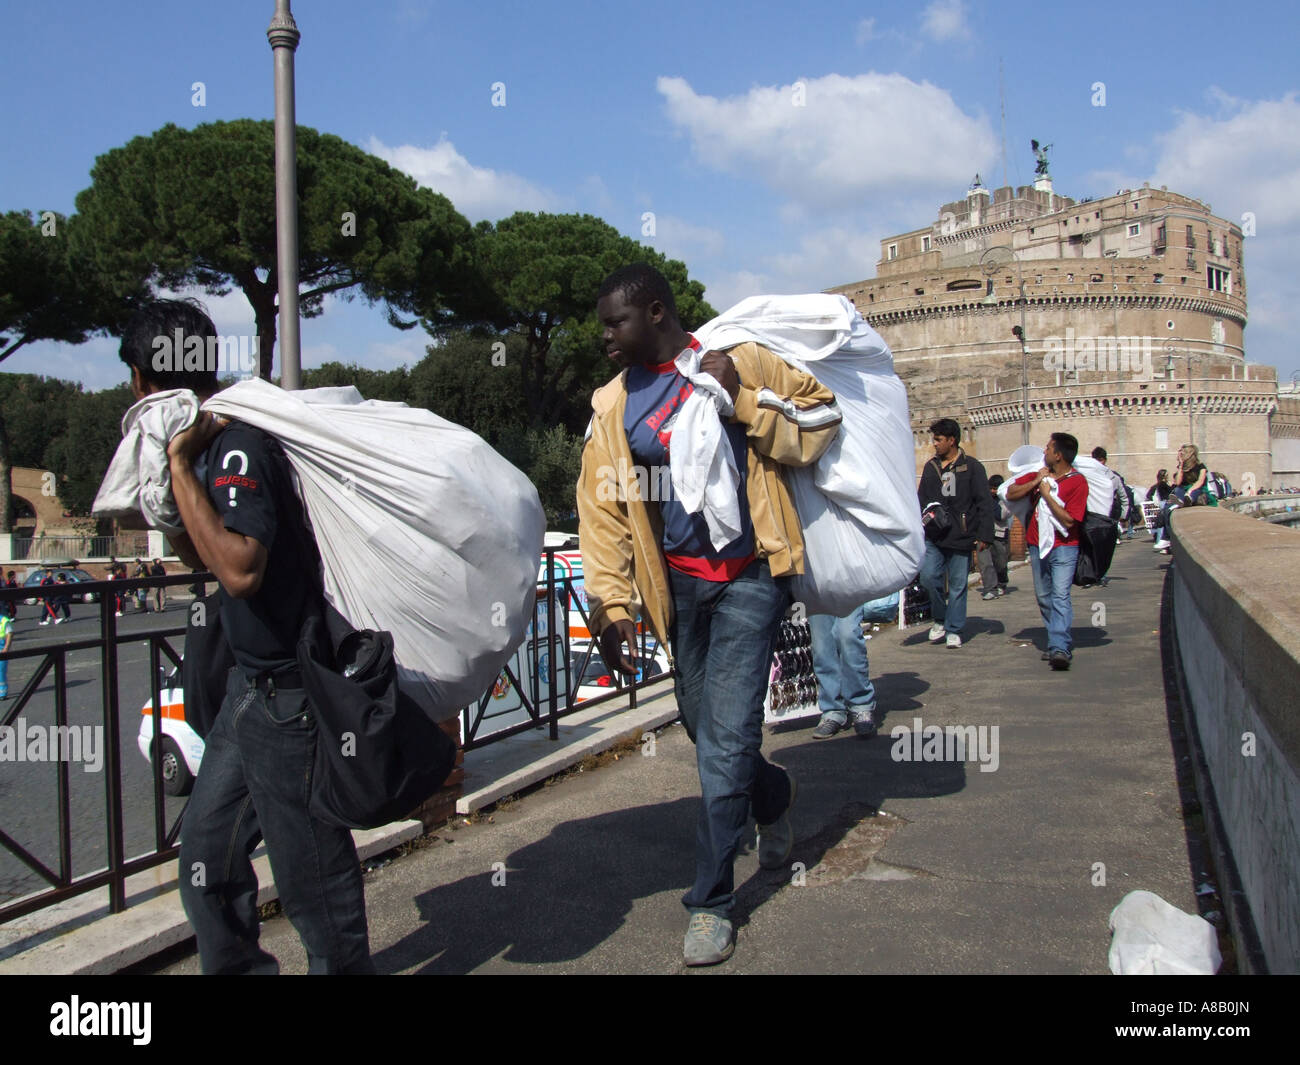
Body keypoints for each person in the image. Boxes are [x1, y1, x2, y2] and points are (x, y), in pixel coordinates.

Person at [577, 263, 840, 967]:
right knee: (704, 728)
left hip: (753, 577)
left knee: (724, 740)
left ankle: (713, 901)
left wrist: (743, 399)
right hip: (681, 591)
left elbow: (821, 422)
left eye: (615, 323)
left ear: (656, 313)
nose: (604, 336)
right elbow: (602, 511)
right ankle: (774, 791)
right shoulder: (613, 406)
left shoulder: (737, 359)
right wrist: (610, 603)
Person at [120, 298, 373, 974]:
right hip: (246, 690)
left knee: (312, 880)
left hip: (288, 698)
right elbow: (199, 553)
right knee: (206, 858)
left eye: (133, 382)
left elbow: (237, 569)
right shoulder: (209, 443)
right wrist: (174, 488)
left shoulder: (236, 444)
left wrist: (178, 464)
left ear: (146, 380)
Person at [1006, 433, 1089, 670]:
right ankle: (1056, 639)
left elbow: (1071, 521)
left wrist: (1046, 495)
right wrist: (1036, 483)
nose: (1044, 450)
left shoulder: (1077, 482)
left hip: (1065, 547)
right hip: (1037, 545)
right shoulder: (1041, 474)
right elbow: (1012, 492)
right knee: (1044, 596)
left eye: (1049, 447)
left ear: (1058, 455)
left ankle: (1059, 647)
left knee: (1060, 595)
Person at [916, 418, 994, 648]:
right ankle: (940, 618)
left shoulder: (972, 467)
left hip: (961, 535)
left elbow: (984, 503)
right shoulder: (931, 468)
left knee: (959, 584)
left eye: (938, 440)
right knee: (928, 578)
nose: (934, 444)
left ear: (952, 440)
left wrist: (984, 535)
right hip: (935, 536)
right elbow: (921, 500)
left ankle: (954, 628)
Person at [809, 607, 877, 739]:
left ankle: (861, 705)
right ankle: (833, 710)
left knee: (848, 635)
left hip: (852, 588)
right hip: (817, 589)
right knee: (822, 645)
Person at [1077, 446, 1124, 587]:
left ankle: (1100, 574)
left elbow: (1123, 496)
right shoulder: (1084, 475)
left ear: (1104, 460)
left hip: (1105, 518)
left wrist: (1124, 515)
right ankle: (1087, 575)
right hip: (1089, 516)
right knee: (1087, 547)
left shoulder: (1113, 477)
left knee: (1101, 547)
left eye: (1101, 460)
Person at [1152, 445, 1209, 551]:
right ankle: (1166, 538)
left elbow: (1200, 482)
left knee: (1193, 492)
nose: (1181, 454)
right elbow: (1178, 482)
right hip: (1182, 489)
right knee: (1167, 508)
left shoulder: (1201, 467)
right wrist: (1181, 465)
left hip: (1196, 489)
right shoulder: (1181, 467)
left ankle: (1187, 499)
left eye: (1183, 452)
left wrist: (1190, 491)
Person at [976, 474, 1011, 600]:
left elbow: (1001, 515)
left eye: (995, 489)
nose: (992, 491)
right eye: (990, 488)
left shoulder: (1005, 500)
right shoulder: (982, 498)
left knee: (1000, 563)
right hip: (984, 534)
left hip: (999, 534)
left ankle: (1001, 582)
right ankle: (990, 588)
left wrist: (989, 501)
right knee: (985, 563)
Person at [0, 607, 11, 698]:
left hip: (1, 648)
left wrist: (6, 648)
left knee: (1, 671)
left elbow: (9, 633)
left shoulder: (3, 620)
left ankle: (2, 692)